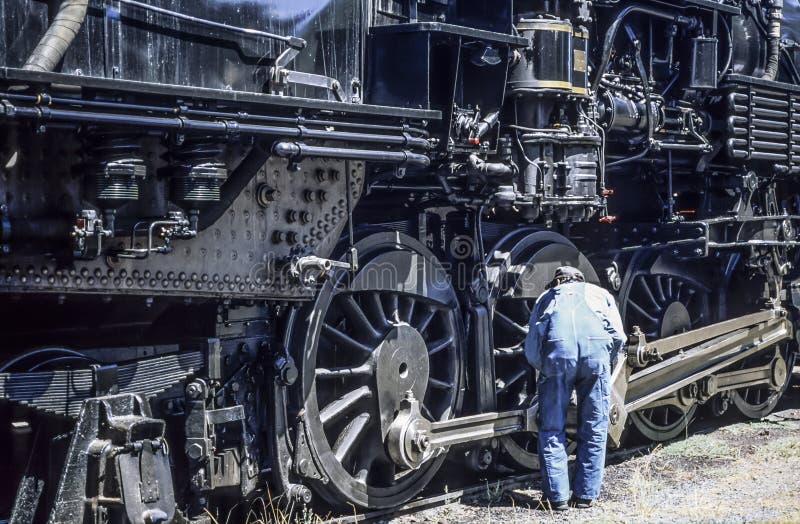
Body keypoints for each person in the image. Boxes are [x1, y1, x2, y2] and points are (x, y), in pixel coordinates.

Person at [524, 266, 626, 511]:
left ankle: (557, 499)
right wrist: (604, 362)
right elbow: (619, 337)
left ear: (557, 281)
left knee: (551, 428)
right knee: (594, 426)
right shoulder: (600, 294)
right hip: (596, 358)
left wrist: (547, 369)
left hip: (558, 357)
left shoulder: (546, 297)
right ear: (580, 279)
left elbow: (532, 347)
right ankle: (585, 496)